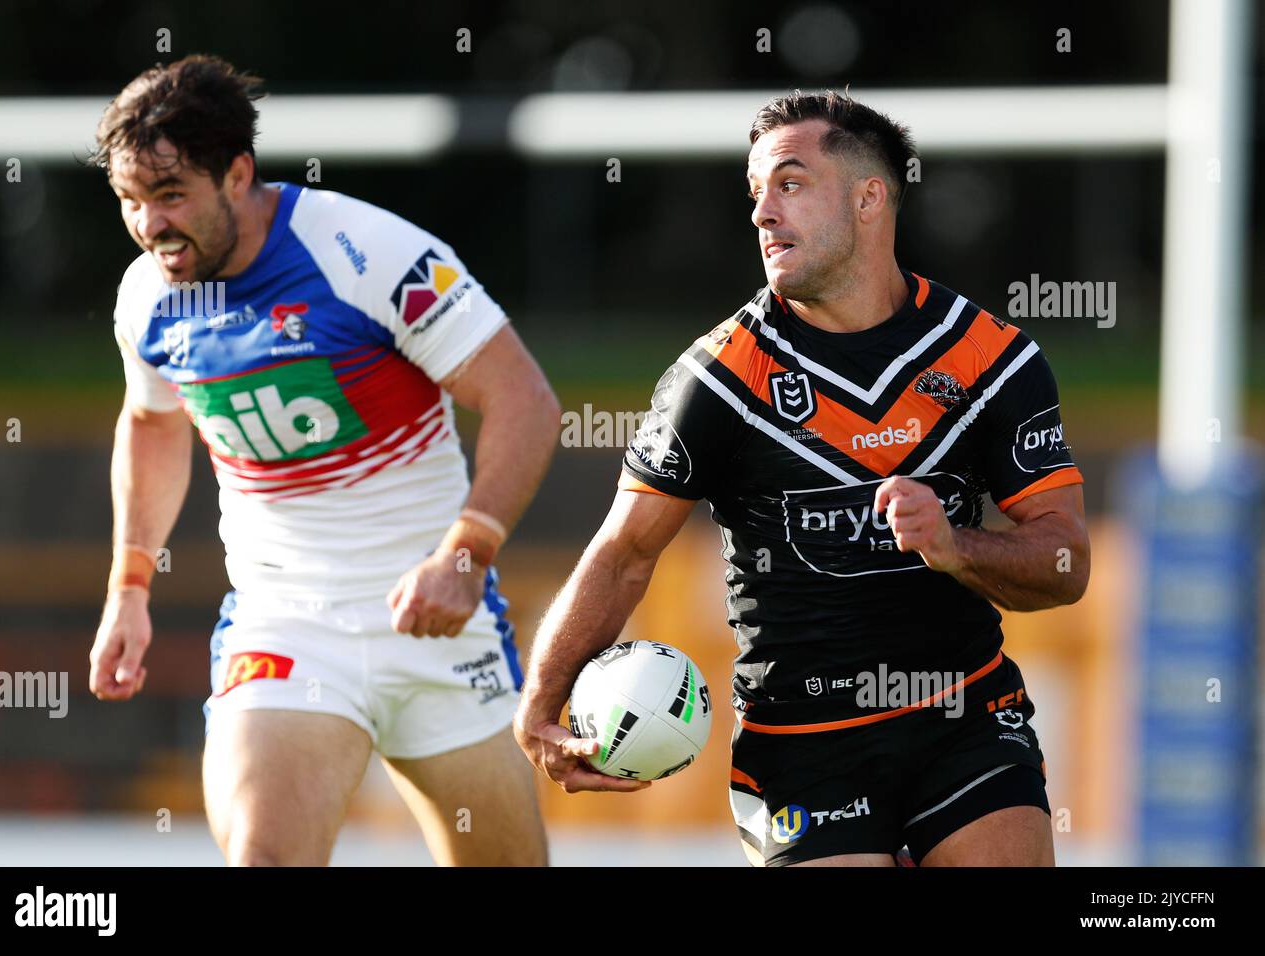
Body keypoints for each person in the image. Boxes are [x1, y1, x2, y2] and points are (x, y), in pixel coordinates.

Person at [514, 90, 1089, 867]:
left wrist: (956, 546)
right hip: (799, 744)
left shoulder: (993, 360)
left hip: (966, 716)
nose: (761, 214)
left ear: (869, 197)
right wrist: (540, 707)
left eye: (788, 184)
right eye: (755, 194)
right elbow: (624, 554)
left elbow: (1065, 563)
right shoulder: (716, 380)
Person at [87, 55, 559, 866]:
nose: (150, 226)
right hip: (288, 622)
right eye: (130, 201)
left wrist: (466, 553)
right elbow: (154, 422)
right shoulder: (149, 296)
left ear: (238, 174)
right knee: (266, 858)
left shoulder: (365, 252)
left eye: (170, 197)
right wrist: (128, 588)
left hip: (438, 621)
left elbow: (526, 400)